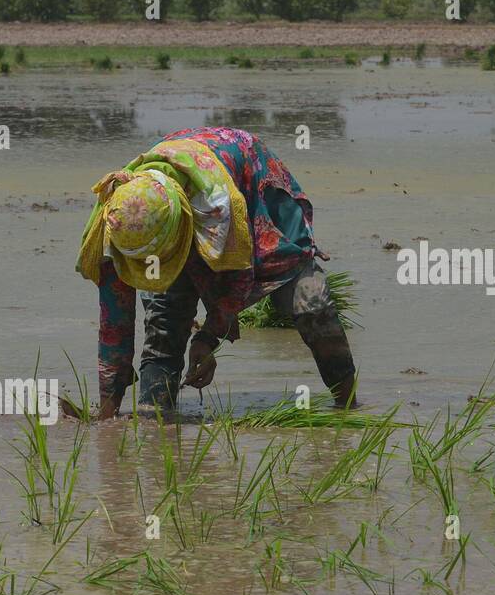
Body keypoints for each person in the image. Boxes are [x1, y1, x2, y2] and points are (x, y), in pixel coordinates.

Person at [73, 127, 358, 419]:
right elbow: (114, 326)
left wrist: (207, 339)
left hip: (250, 185)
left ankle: (348, 406)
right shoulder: (114, 228)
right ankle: (155, 418)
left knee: (310, 302)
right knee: (164, 318)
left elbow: (236, 280)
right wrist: (106, 417)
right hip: (179, 210)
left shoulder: (219, 208)